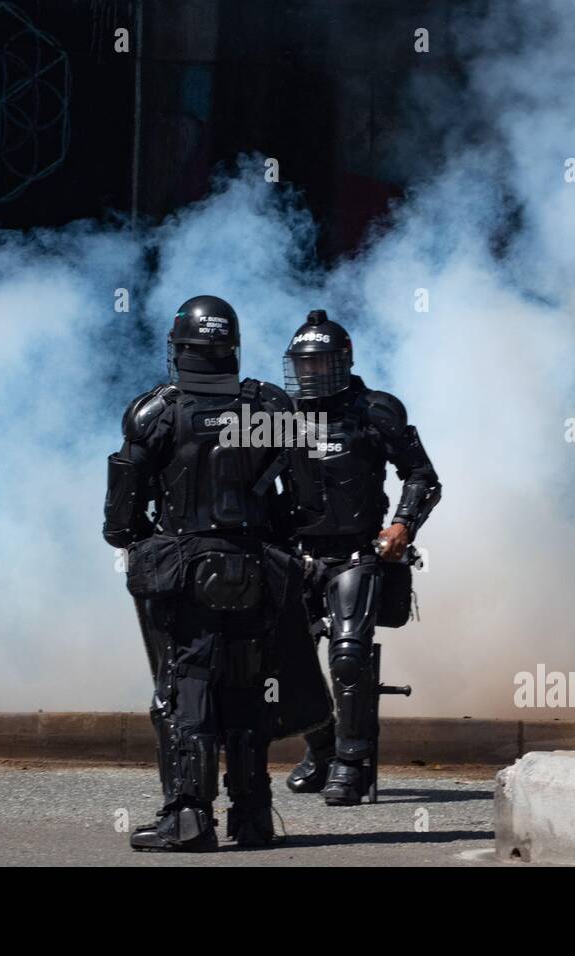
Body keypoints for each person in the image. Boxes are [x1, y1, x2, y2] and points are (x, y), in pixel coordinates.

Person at [103, 295, 329, 850]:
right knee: (247, 691)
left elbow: (119, 519)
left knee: (186, 691)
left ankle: (187, 818)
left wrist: (148, 543)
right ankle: (252, 818)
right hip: (255, 571)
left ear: (180, 347)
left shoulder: (155, 412)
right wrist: (264, 533)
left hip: (184, 574)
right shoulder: (270, 407)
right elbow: (310, 504)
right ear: (231, 346)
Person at [281, 310, 441, 805]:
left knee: (348, 654)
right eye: (303, 365)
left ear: (343, 360)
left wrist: (402, 525)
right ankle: (322, 747)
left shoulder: (376, 410)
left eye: (321, 363)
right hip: (298, 554)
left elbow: (422, 477)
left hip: (357, 553)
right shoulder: (277, 415)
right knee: (282, 656)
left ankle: (353, 764)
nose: (311, 373)